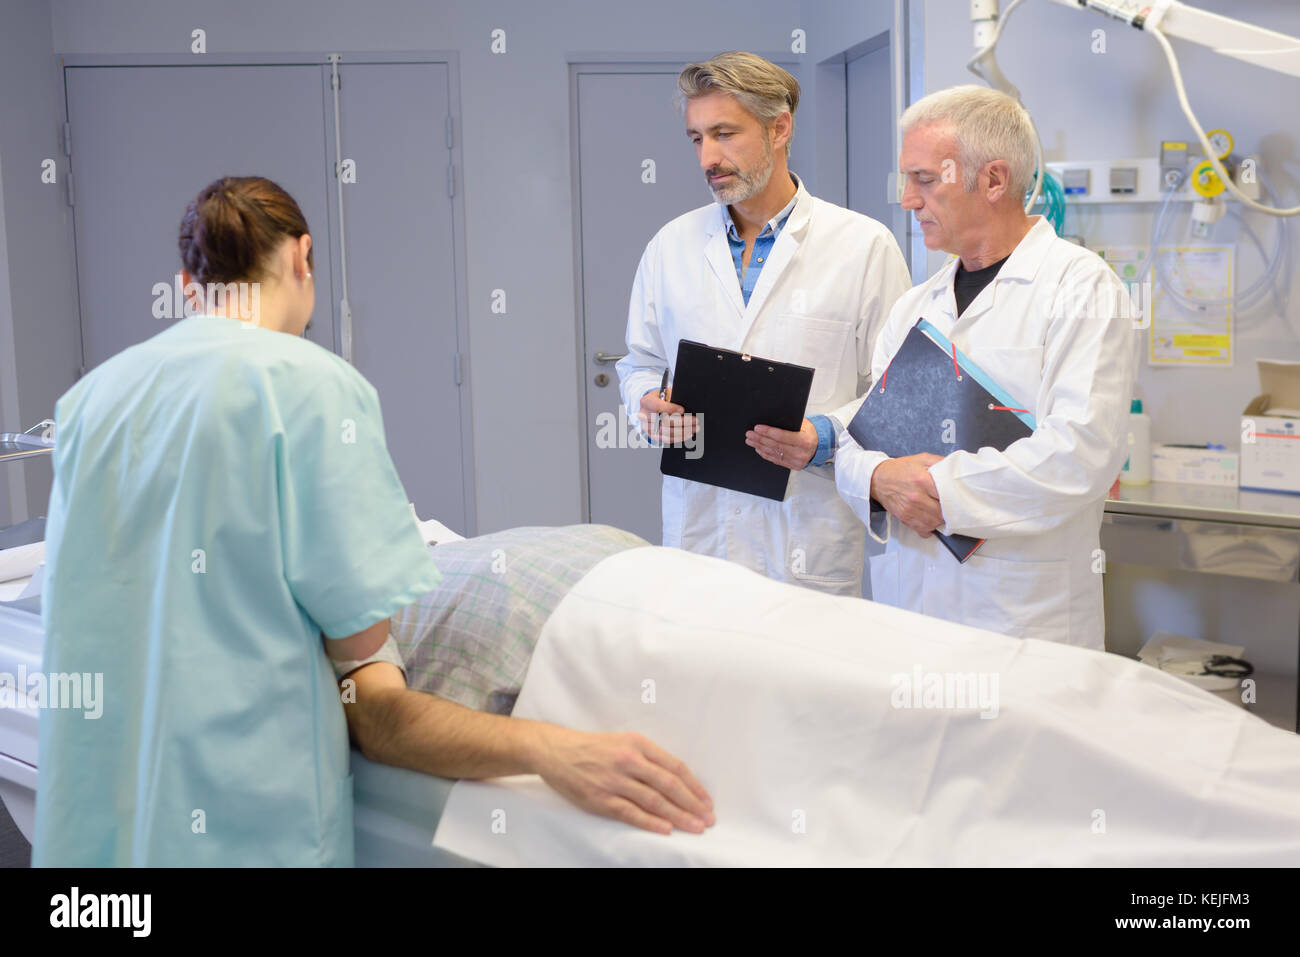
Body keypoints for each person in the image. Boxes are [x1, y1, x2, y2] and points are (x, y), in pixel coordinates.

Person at [35, 176, 711, 867]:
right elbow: (377, 707)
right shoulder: (311, 386)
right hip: (242, 827)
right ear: (302, 257)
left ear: (187, 286)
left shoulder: (92, 399)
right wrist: (552, 748)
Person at [835, 86, 1137, 650]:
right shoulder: (913, 307)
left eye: (925, 179)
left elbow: (1081, 452)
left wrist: (937, 491)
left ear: (994, 180)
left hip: (1020, 616)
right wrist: (877, 479)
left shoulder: (1081, 288)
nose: (907, 199)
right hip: (908, 610)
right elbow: (861, 436)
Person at [617, 52, 910, 596]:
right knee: (700, 672)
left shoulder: (864, 247)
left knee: (802, 677)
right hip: (699, 529)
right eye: (696, 138)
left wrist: (823, 437)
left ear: (780, 128)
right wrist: (647, 407)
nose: (708, 156)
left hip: (807, 527)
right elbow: (641, 364)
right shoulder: (670, 246)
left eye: (725, 134)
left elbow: (896, 391)